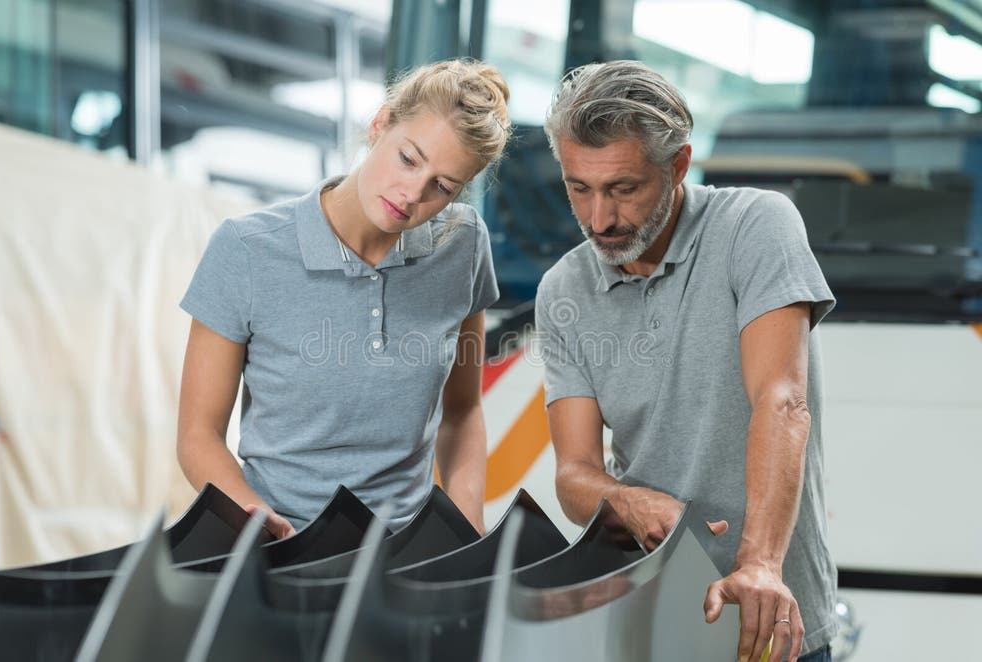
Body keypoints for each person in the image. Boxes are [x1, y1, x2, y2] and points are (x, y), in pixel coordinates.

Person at [534, 60, 837, 662]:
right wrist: (626, 499)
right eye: (579, 188)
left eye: (623, 189)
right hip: (649, 626)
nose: (600, 220)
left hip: (773, 624)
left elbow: (782, 400)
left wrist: (758, 568)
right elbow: (573, 475)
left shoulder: (756, 226)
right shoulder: (562, 290)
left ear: (677, 165)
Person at [176, 59, 511, 540]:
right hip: (275, 542)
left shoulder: (462, 245)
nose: (413, 194)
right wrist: (252, 517)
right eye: (409, 159)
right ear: (380, 124)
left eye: (443, 186)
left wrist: (463, 528)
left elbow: (461, 413)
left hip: (403, 553)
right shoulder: (246, 249)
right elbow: (197, 435)